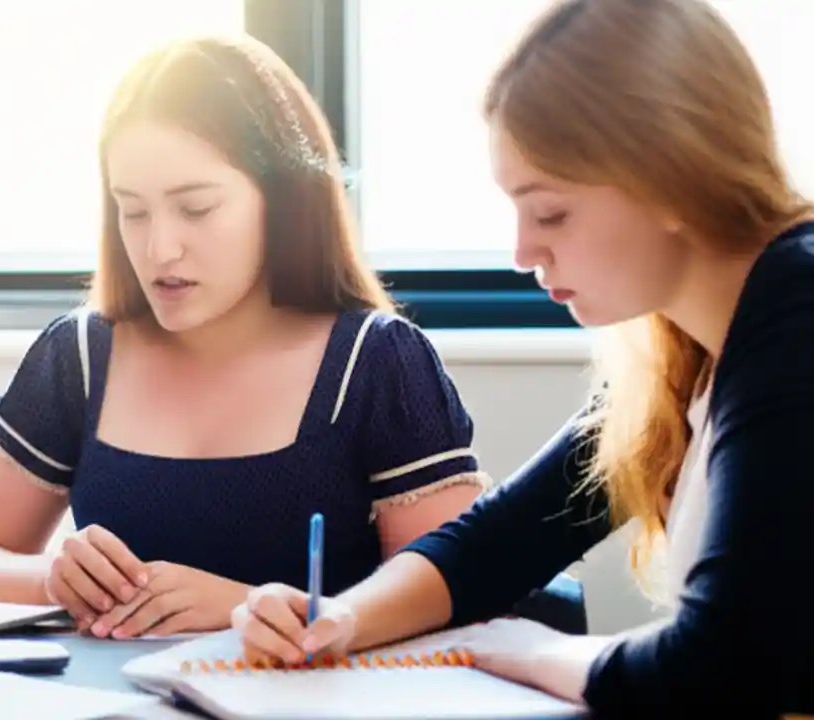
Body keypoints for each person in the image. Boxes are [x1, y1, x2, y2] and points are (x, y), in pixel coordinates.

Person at [232, 0, 814, 715]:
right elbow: (499, 542)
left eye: (550, 213)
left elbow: (724, 665)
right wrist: (343, 619)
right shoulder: (682, 352)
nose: (522, 252)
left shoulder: (797, 315)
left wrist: (537, 653)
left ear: (674, 176)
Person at [0, 35, 488, 641]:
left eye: (196, 209)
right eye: (133, 211)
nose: (159, 249)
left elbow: (457, 591)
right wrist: (52, 579)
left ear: (281, 201)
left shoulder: (378, 362)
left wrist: (247, 607)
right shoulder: (79, 356)